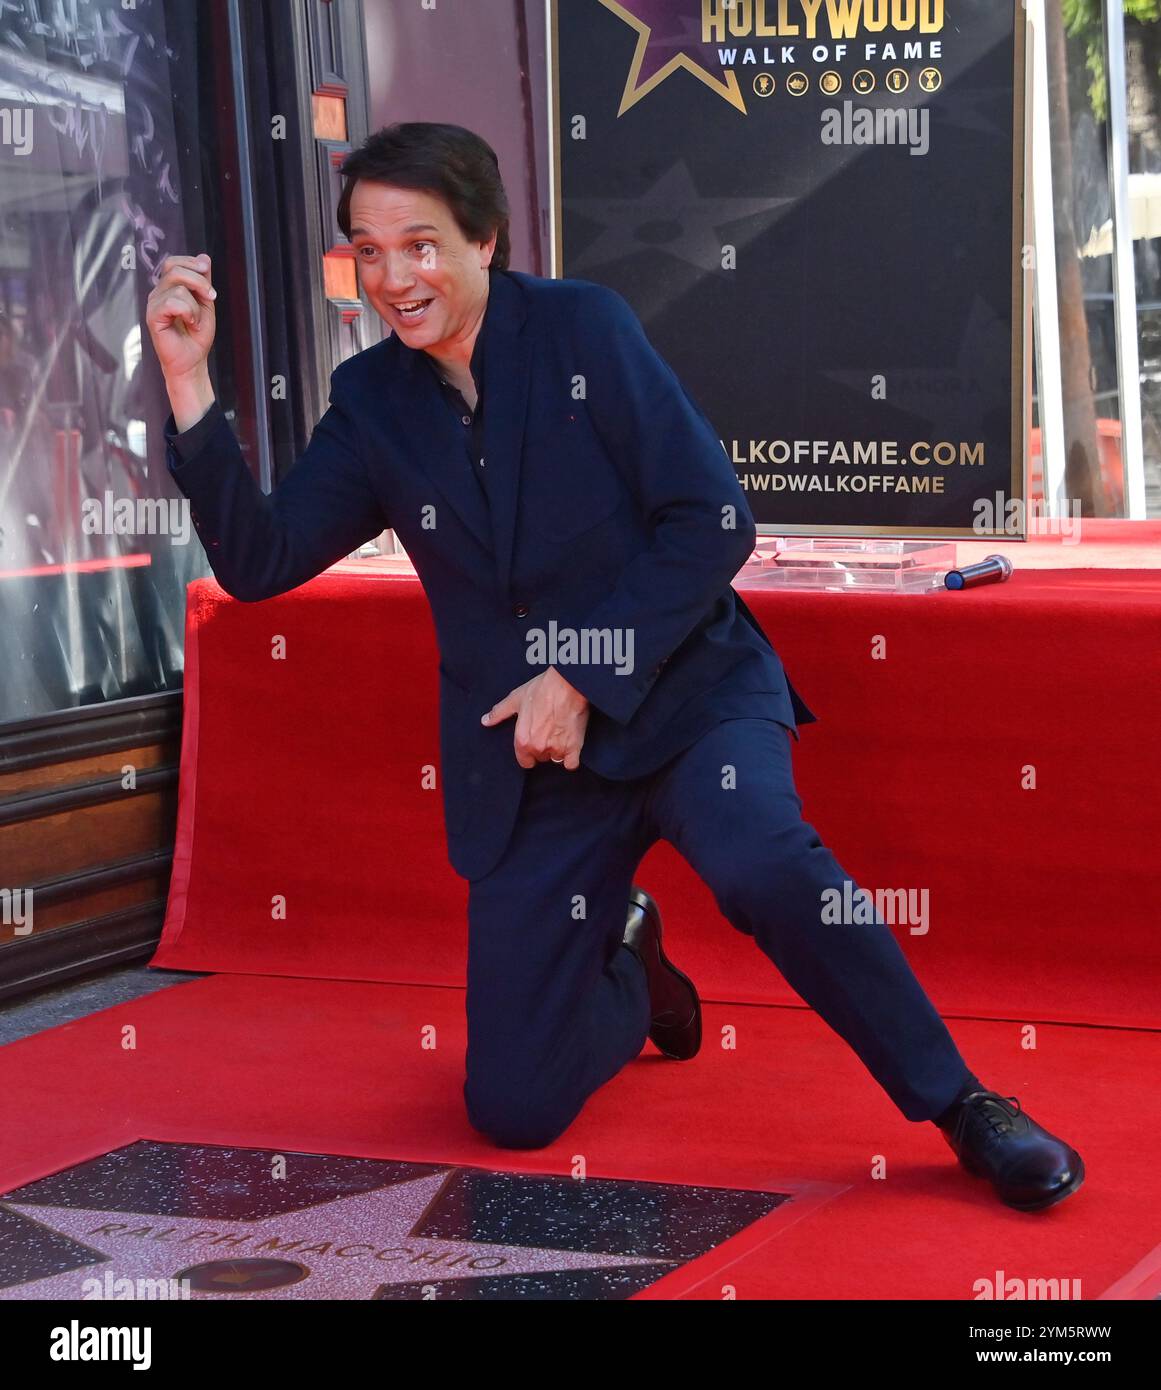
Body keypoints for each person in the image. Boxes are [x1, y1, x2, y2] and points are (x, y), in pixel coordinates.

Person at [147, 122, 1083, 1212]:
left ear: (486, 240)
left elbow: (713, 518)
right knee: (512, 1108)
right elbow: (260, 561)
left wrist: (582, 671)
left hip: (687, 694)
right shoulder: (373, 403)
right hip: (538, 759)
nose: (395, 278)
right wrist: (188, 384)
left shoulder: (584, 330)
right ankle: (633, 968)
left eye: (421, 244)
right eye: (370, 250)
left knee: (764, 866)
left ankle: (965, 1105)